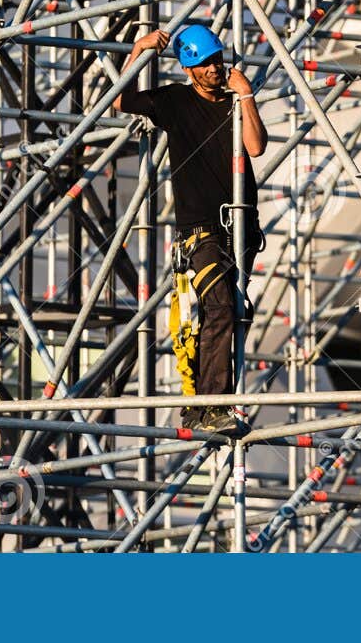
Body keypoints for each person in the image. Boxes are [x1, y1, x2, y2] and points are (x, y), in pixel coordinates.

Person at [115, 23, 268, 436]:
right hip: (200, 230)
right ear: (189, 69)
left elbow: (255, 146)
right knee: (218, 304)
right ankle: (212, 404)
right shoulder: (177, 101)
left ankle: (198, 408)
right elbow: (122, 100)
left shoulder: (235, 102)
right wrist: (140, 48)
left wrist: (247, 94)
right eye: (204, 64)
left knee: (233, 312)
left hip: (241, 225)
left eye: (217, 61)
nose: (215, 70)